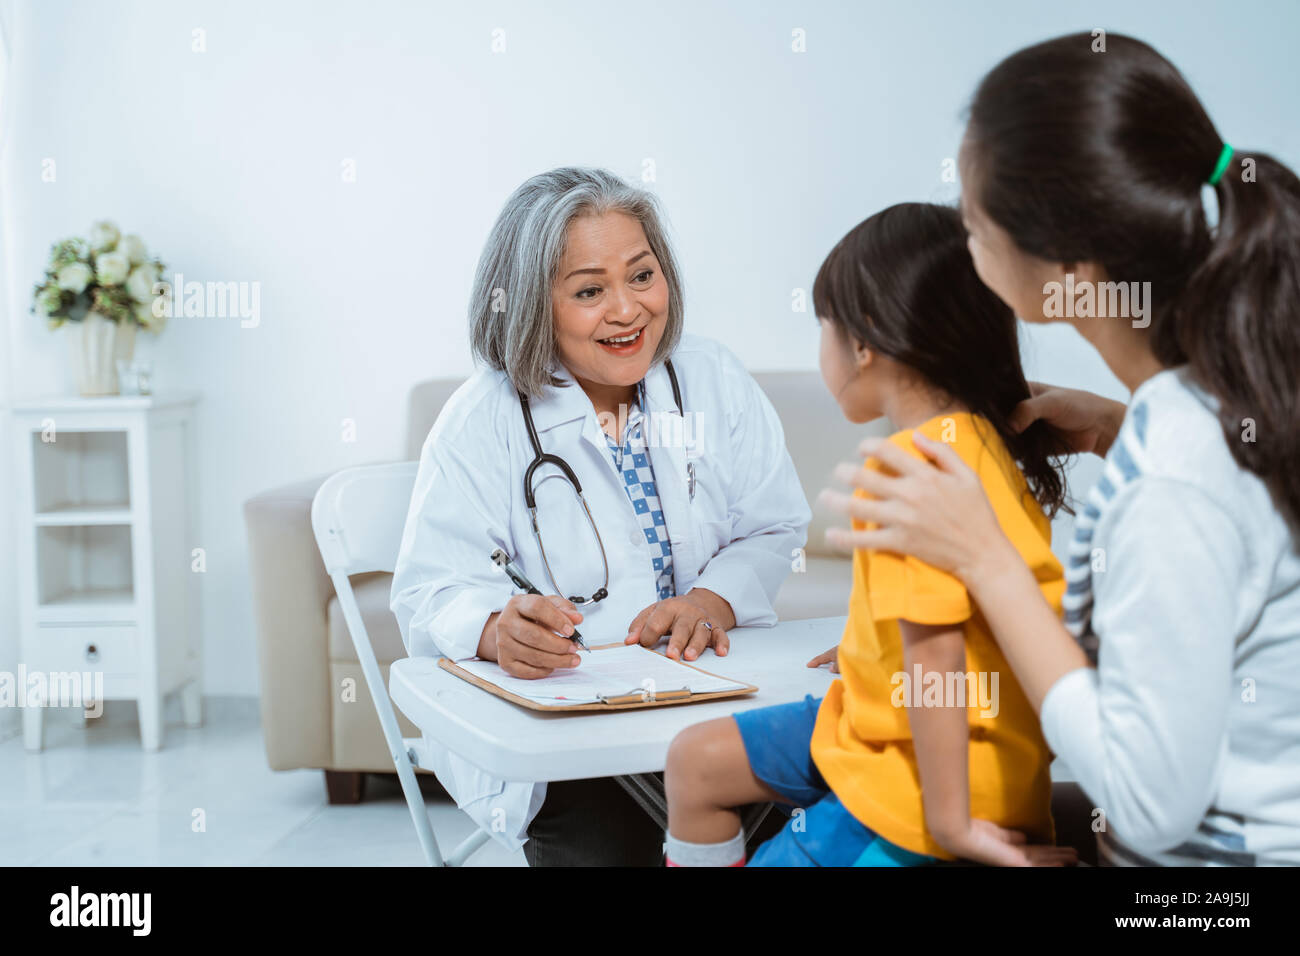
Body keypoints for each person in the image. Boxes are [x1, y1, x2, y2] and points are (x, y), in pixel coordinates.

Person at [823, 33, 1300, 866]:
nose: (965, 249)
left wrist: (988, 563)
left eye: (974, 224)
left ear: (1067, 266)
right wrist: (1120, 429)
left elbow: (1149, 810)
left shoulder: (1175, 483)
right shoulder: (1208, 405)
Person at [390, 166, 810, 865]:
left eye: (642, 276)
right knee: (610, 850)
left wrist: (712, 598)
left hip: (714, 699)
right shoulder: (480, 422)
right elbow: (429, 589)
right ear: (529, 305)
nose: (627, 310)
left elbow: (772, 526)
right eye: (590, 291)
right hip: (577, 743)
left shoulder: (712, 379)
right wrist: (496, 630)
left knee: (809, 825)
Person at [663, 202, 1079, 867]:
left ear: (864, 343)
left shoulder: (908, 475)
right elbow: (958, 626)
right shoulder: (984, 443)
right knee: (696, 761)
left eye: (823, 326)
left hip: (920, 793)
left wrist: (952, 826)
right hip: (911, 732)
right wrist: (872, 643)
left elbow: (936, 662)